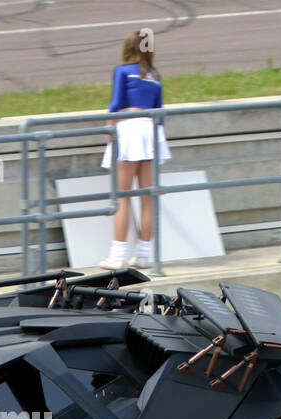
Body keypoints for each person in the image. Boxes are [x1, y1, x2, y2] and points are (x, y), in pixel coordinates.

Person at [100, 31, 170, 270]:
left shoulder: (121, 71)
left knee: (121, 196)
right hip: (151, 130)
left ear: (127, 47)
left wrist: (108, 128)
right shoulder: (155, 75)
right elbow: (159, 110)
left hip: (128, 128)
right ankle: (143, 253)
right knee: (147, 198)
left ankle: (117, 254)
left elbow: (116, 103)